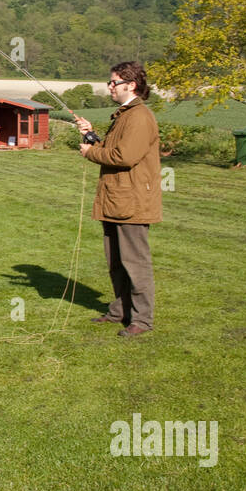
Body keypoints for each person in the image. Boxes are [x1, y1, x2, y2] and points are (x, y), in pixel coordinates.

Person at [76, 61, 162, 338]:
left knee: (135, 263)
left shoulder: (139, 117)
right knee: (116, 261)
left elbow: (124, 157)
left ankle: (142, 320)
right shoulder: (124, 116)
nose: (110, 87)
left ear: (131, 85)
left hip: (133, 202)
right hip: (116, 201)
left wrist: (89, 153)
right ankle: (120, 310)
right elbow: (112, 148)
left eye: (114, 82)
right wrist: (90, 135)